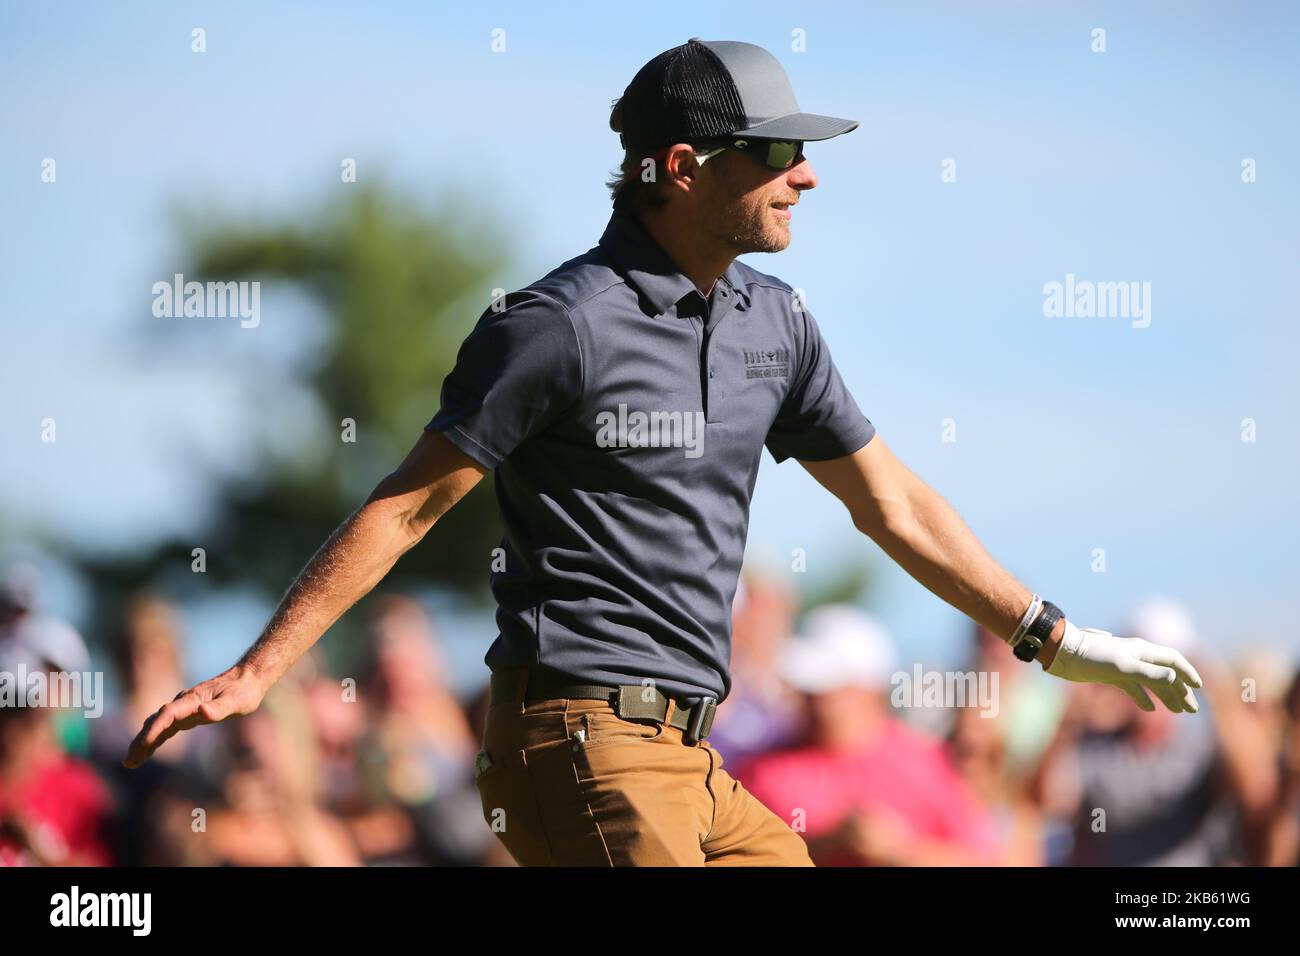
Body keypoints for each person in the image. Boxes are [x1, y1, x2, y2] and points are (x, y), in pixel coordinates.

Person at [121, 38, 1203, 867]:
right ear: (681, 168)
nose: (805, 177)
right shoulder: (555, 324)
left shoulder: (776, 324)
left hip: (689, 750)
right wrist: (258, 669)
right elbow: (407, 506)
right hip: (572, 734)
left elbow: (892, 506)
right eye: (778, 153)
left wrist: (1051, 635)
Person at [738, 605, 1000, 866]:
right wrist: (825, 843)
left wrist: (900, 851)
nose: (811, 698)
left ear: (868, 687)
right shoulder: (760, 771)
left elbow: (985, 859)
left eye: (826, 686)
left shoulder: (930, 765)